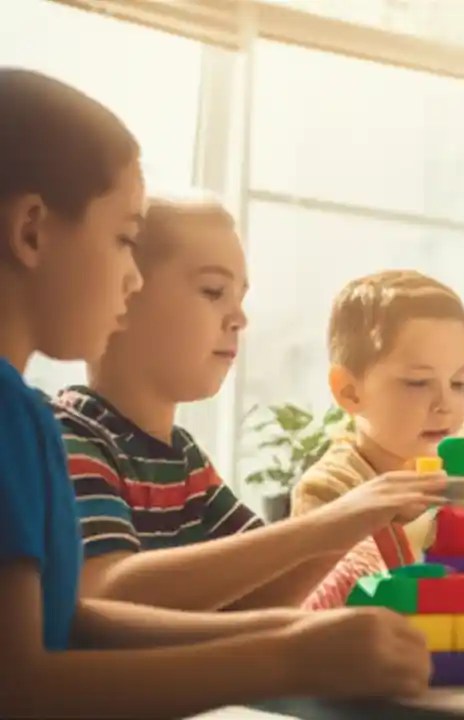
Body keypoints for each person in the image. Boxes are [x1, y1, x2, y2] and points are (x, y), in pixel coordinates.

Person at [0, 68, 429, 718]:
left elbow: (78, 622)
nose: (132, 277)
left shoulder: (24, 415)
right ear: (31, 231)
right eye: (122, 240)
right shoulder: (32, 423)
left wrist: (302, 622)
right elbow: (21, 684)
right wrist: (287, 652)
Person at [55, 198, 448, 612]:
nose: (239, 318)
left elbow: (261, 594)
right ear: (125, 291)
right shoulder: (71, 438)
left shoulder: (184, 459)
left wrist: (351, 527)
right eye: (213, 291)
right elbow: (103, 594)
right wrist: (331, 521)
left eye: (240, 297)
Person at [292, 269, 464, 609]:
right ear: (350, 392)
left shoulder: (462, 478)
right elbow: (332, 603)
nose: (445, 404)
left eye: (459, 384)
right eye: (418, 383)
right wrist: (417, 522)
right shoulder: (329, 487)